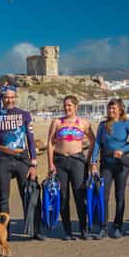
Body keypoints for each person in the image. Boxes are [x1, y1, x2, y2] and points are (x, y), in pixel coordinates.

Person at [0, 84, 42, 240]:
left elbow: (30, 140)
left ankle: (33, 231)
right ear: (2, 98)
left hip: (22, 158)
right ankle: (5, 233)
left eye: (12, 97)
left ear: (15, 98)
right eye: (6, 97)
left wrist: (33, 164)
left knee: (29, 195)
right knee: (3, 197)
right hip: (3, 159)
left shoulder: (25, 115)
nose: (9, 100)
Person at [91, 98, 129, 239]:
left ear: (120, 110)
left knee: (120, 195)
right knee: (103, 195)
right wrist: (93, 162)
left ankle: (118, 226)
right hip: (106, 164)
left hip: (121, 165)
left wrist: (124, 149)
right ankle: (103, 226)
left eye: (114, 108)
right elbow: (97, 144)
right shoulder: (103, 125)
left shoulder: (126, 124)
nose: (111, 111)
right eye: (109, 108)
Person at [47, 95, 95, 240]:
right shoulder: (57, 122)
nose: (67, 108)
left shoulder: (84, 123)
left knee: (80, 196)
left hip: (77, 161)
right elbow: (50, 143)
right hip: (60, 161)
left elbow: (93, 141)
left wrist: (89, 160)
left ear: (76, 107)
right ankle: (67, 230)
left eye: (70, 105)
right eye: (65, 105)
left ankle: (83, 229)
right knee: (63, 196)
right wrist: (50, 164)